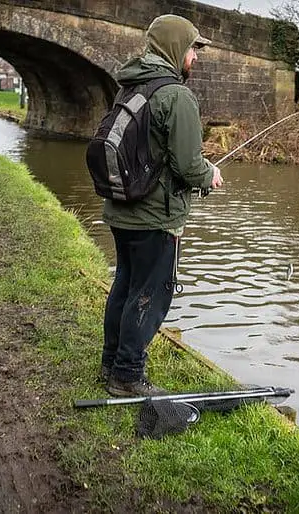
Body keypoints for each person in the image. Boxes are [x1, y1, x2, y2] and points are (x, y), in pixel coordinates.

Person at [100, 14, 223, 397]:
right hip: (155, 217)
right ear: (175, 48)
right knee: (150, 294)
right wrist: (210, 175)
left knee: (124, 285)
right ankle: (127, 376)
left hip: (121, 209)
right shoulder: (177, 96)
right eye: (192, 49)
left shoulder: (131, 87)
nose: (196, 58)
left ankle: (111, 363)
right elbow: (188, 164)